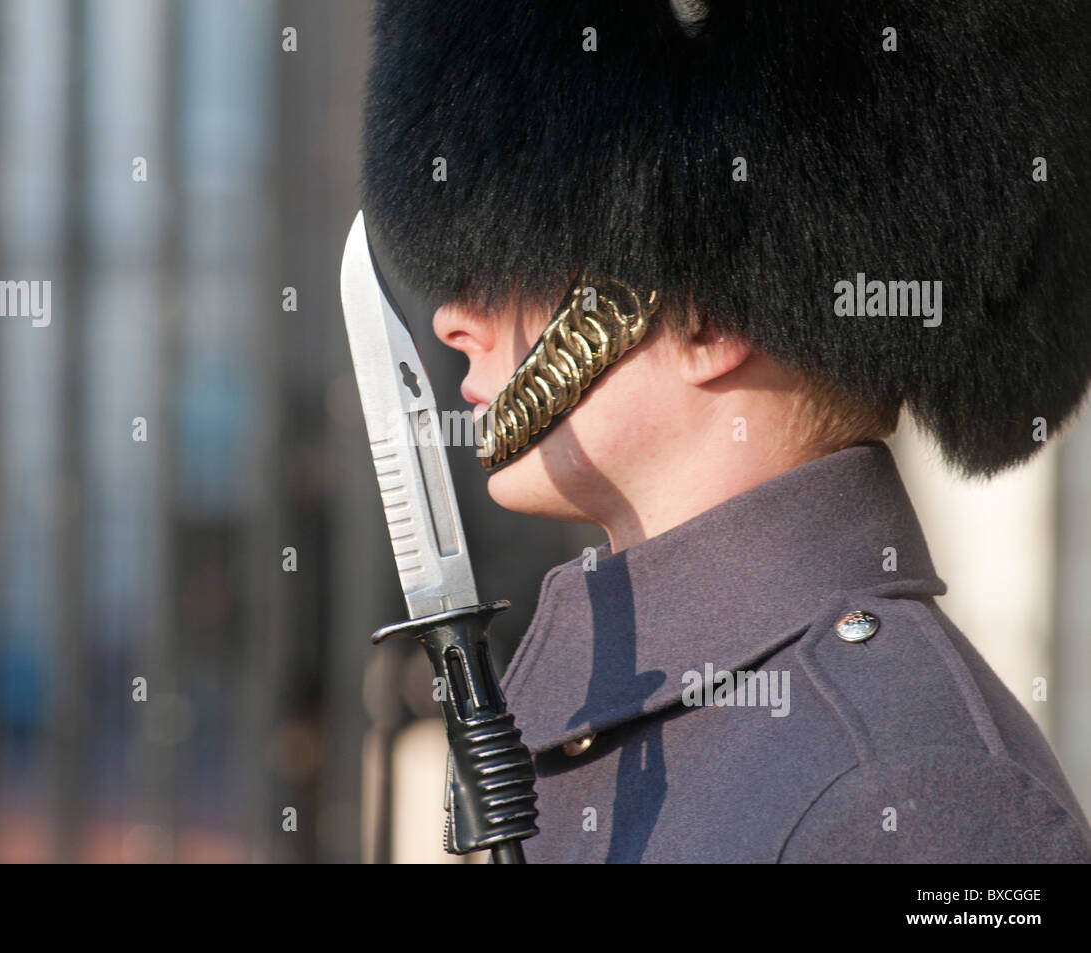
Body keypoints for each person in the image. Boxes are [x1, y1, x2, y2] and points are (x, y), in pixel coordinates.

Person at [360, 0, 1091, 861]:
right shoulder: (615, 714)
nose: (451, 316)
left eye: (521, 250)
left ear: (709, 318)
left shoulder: (918, 796)